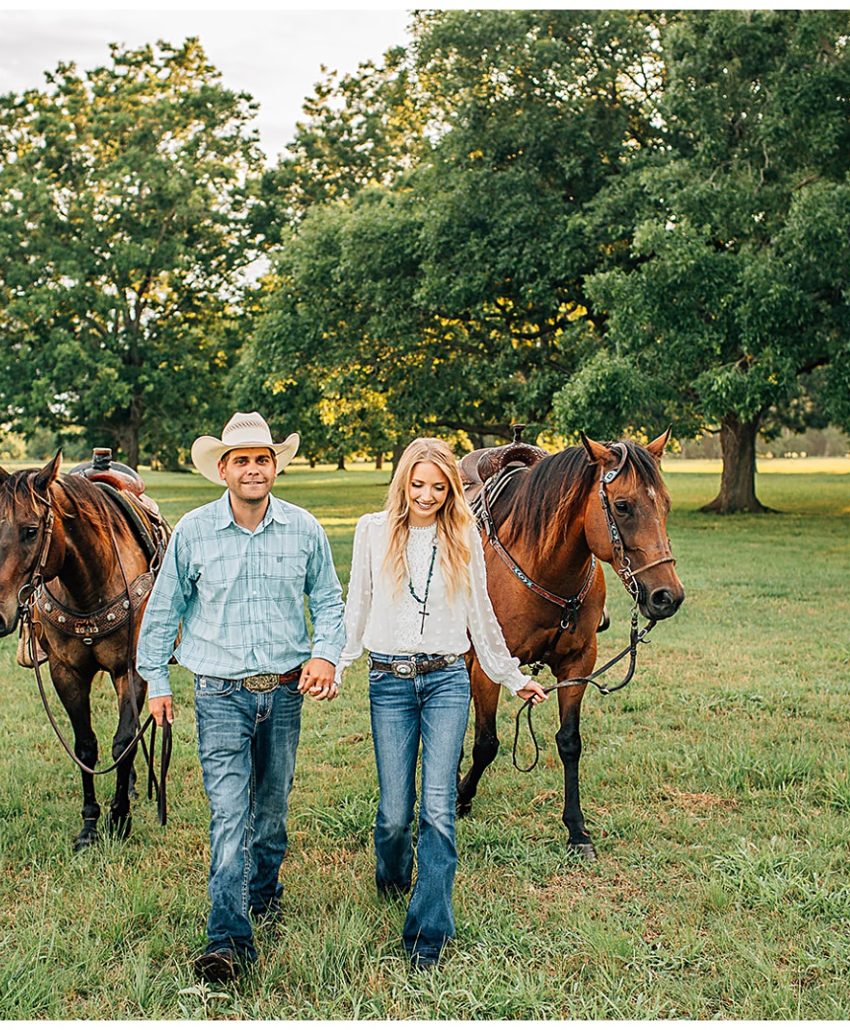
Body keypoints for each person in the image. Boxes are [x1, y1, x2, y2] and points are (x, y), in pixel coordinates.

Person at [136, 411, 345, 984]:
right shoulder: (194, 531)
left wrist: (326, 655)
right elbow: (164, 610)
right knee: (230, 815)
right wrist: (156, 681)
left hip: (284, 691)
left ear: (274, 467)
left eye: (262, 459)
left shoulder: (304, 528)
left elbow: (328, 601)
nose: (254, 469)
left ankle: (265, 893)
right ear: (223, 470)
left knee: (271, 813)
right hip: (220, 693)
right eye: (242, 461)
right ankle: (227, 938)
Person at [335, 437, 548, 970]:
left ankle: (428, 932)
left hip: (447, 682)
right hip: (389, 682)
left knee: (438, 808)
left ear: (451, 489)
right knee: (394, 814)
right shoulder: (372, 531)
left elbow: (481, 614)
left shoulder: (464, 535)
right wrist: (336, 664)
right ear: (403, 483)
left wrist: (511, 675)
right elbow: (356, 604)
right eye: (418, 484)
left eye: (437, 487)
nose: (427, 496)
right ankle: (392, 875)